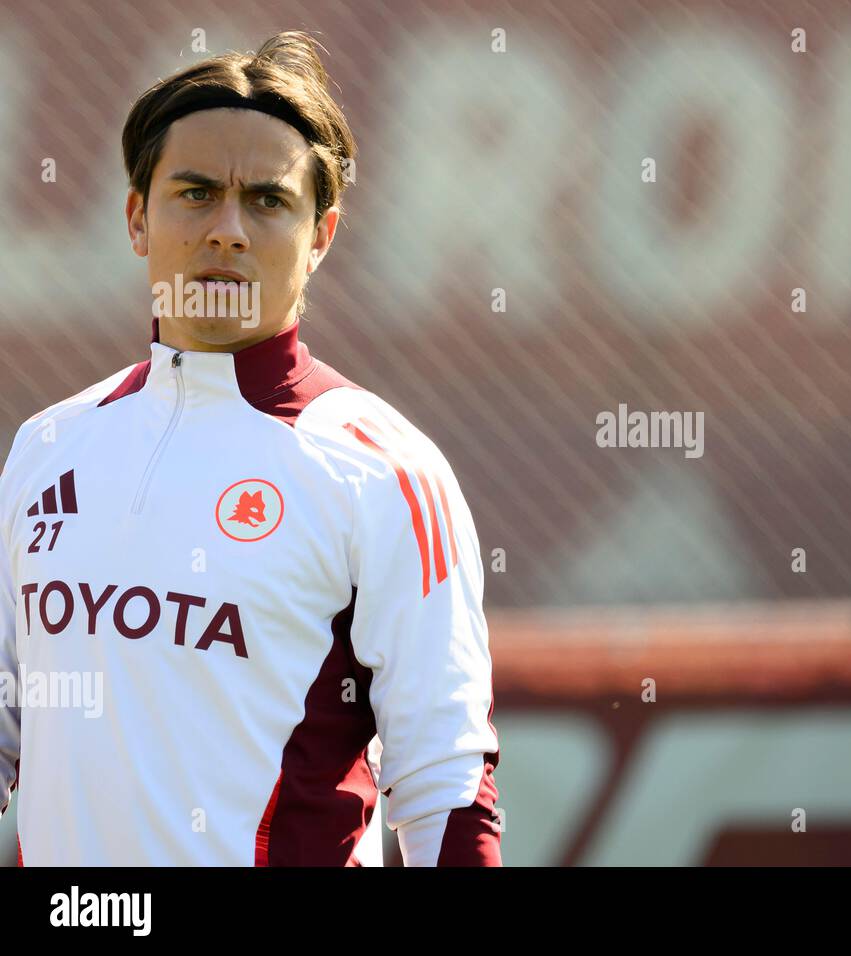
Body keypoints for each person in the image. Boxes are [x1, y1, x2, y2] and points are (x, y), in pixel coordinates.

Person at [0, 31, 501, 866]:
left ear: (321, 236)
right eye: (195, 193)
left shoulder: (383, 467)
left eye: (268, 201)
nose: (227, 230)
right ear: (136, 217)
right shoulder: (49, 444)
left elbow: (446, 775)